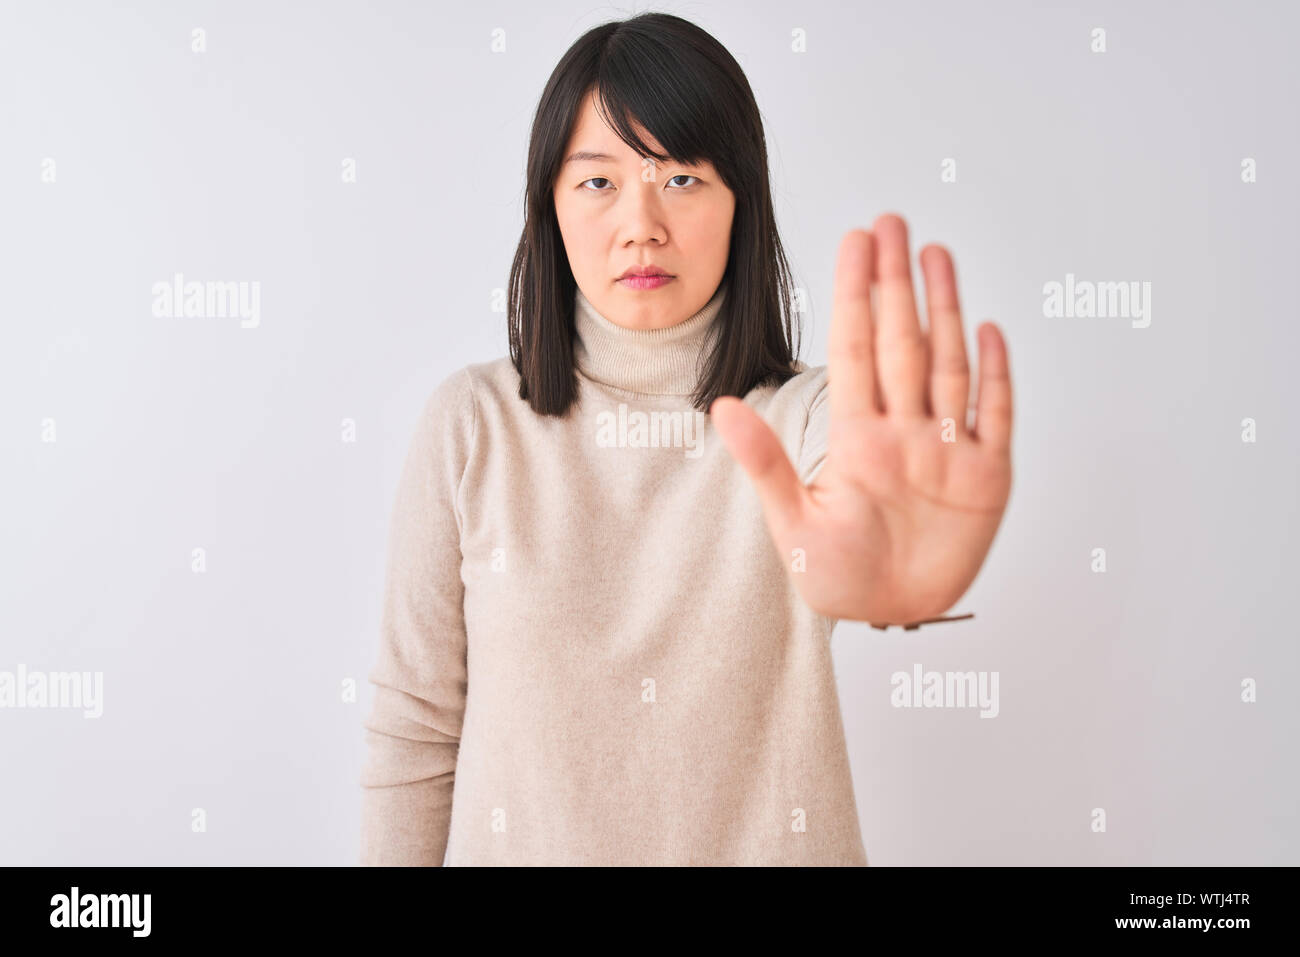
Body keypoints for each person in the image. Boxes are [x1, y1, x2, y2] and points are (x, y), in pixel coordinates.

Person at [359, 12, 1012, 866]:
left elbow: (855, 464)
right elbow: (415, 725)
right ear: (548, 205)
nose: (641, 224)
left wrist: (889, 557)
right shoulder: (472, 423)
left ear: (742, 199)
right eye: (598, 182)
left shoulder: (802, 417)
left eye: (681, 178)